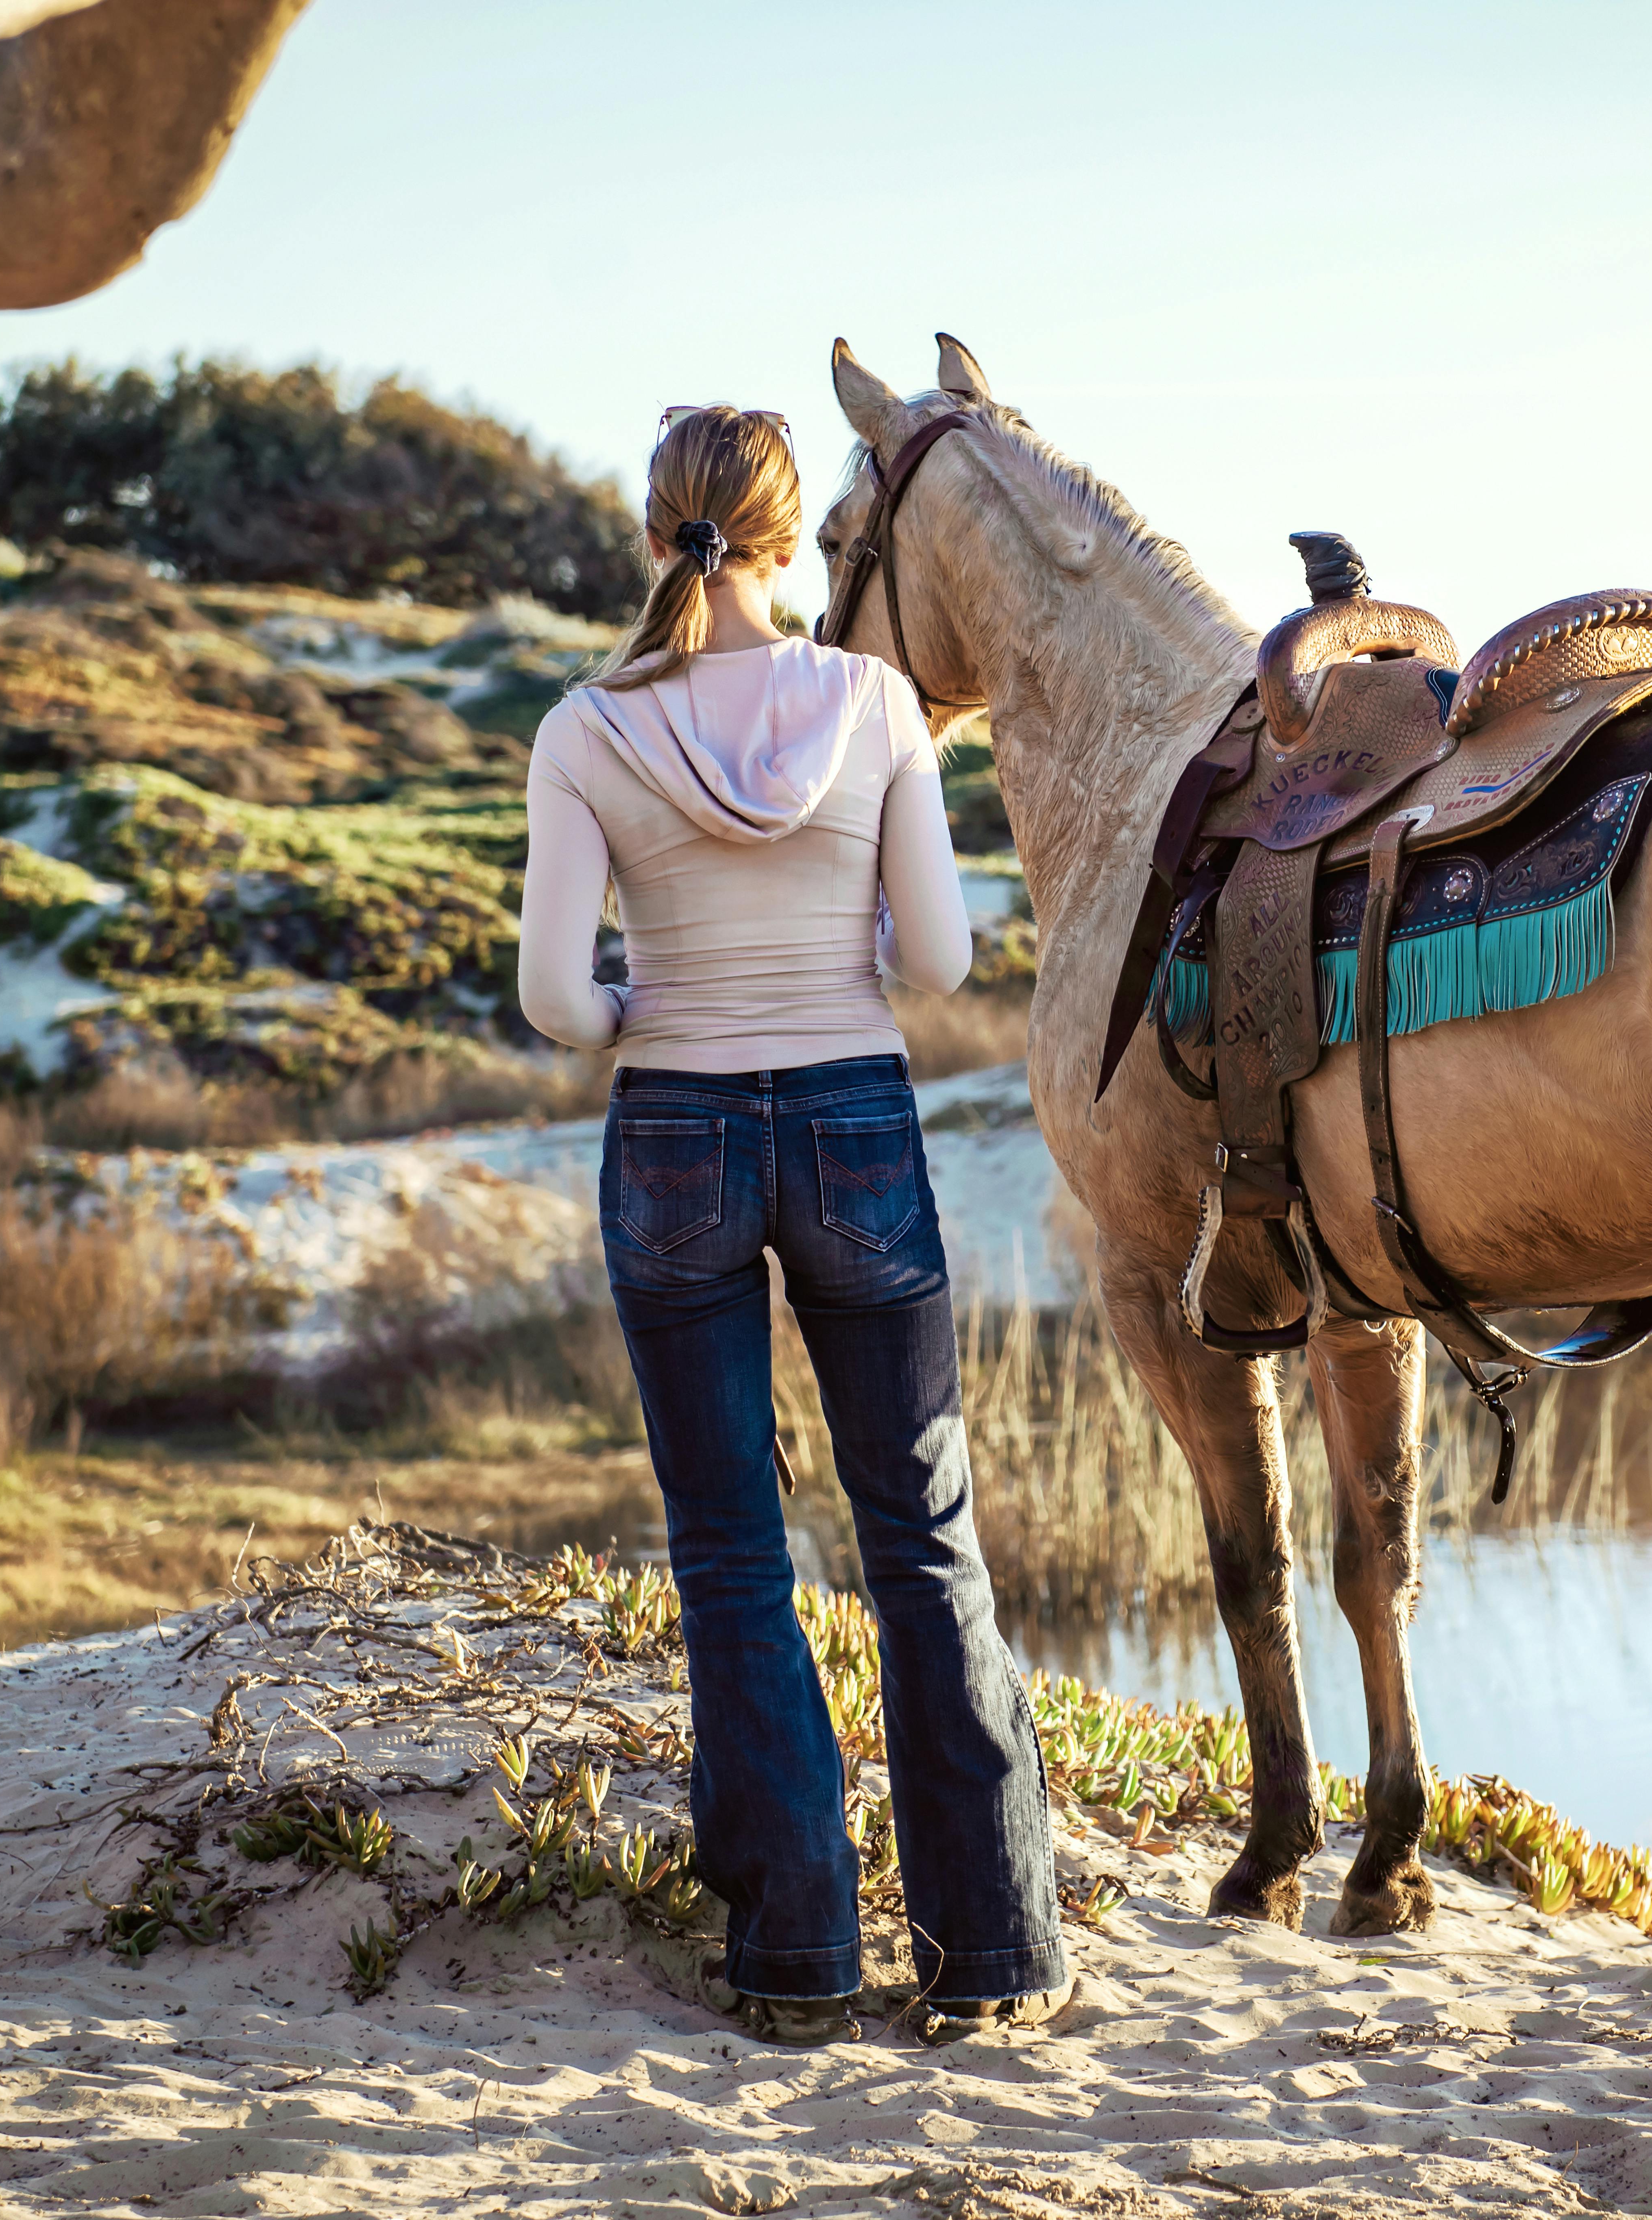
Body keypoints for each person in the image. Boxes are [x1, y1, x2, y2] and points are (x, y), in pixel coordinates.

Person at [517, 404, 1066, 2048]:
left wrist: (648, 1000)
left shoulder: (582, 727)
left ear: (652, 532)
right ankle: (990, 1957)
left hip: (676, 1129)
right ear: (779, 536)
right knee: (922, 1536)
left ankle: (796, 1959)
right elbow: (938, 964)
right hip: (854, 1124)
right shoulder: (875, 701)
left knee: (730, 1555)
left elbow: (555, 1002)